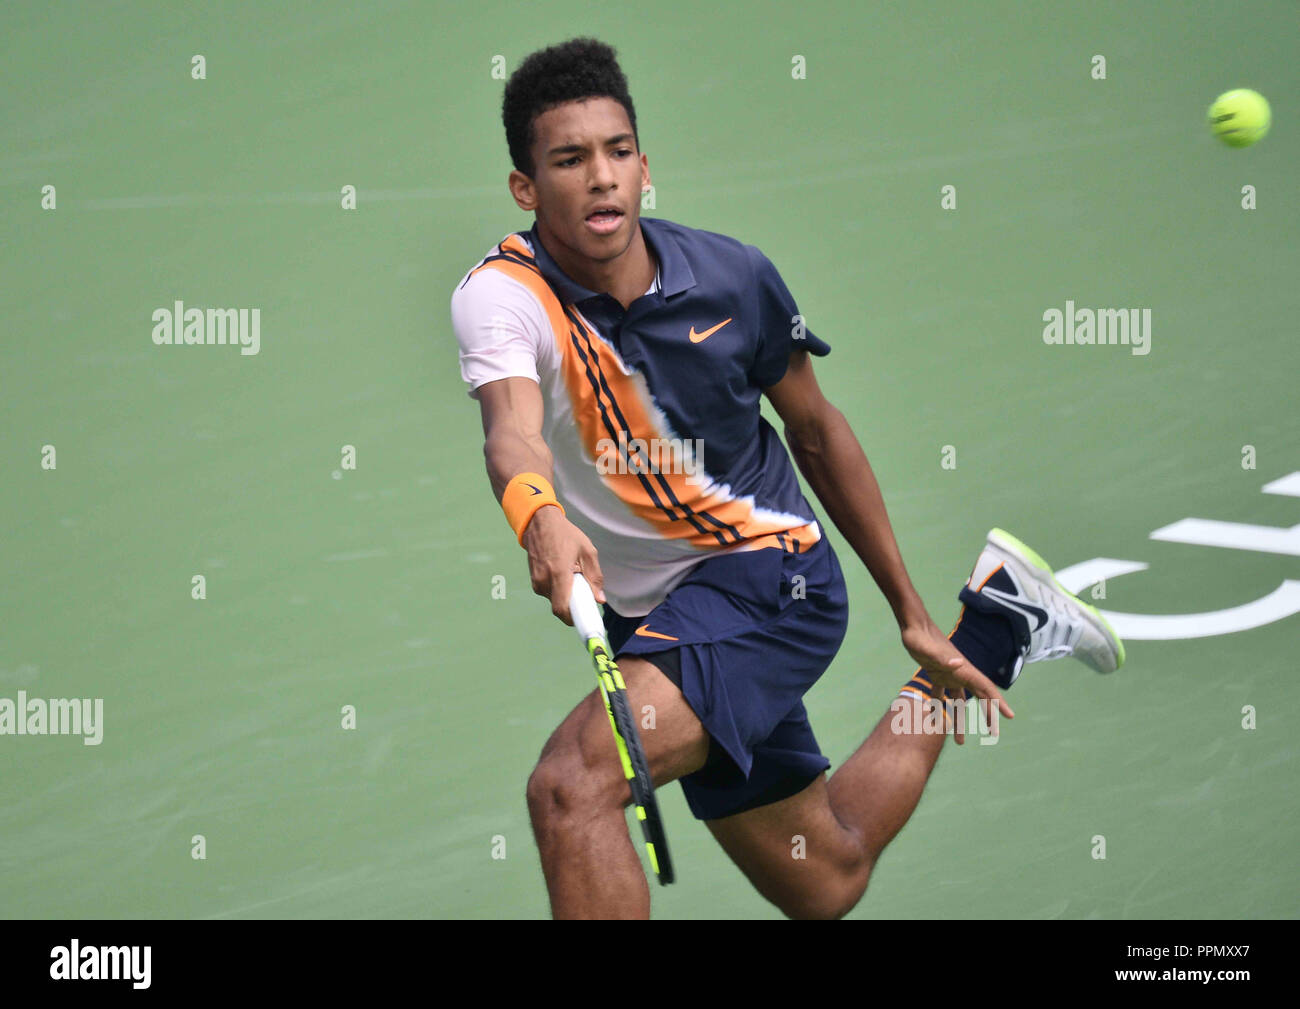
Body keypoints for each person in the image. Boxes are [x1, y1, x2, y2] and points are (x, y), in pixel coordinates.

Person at [449, 37, 1124, 919]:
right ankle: (1000, 621)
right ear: (526, 189)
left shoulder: (734, 279)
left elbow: (815, 431)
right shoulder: (502, 296)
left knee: (570, 787)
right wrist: (539, 516)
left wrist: (910, 614)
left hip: (770, 578)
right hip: (653, 615)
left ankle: (961, 626)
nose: (602, 178)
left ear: (646, 166)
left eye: (618, 153)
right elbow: (513, 432)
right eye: (570, 160)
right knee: (823, 874)